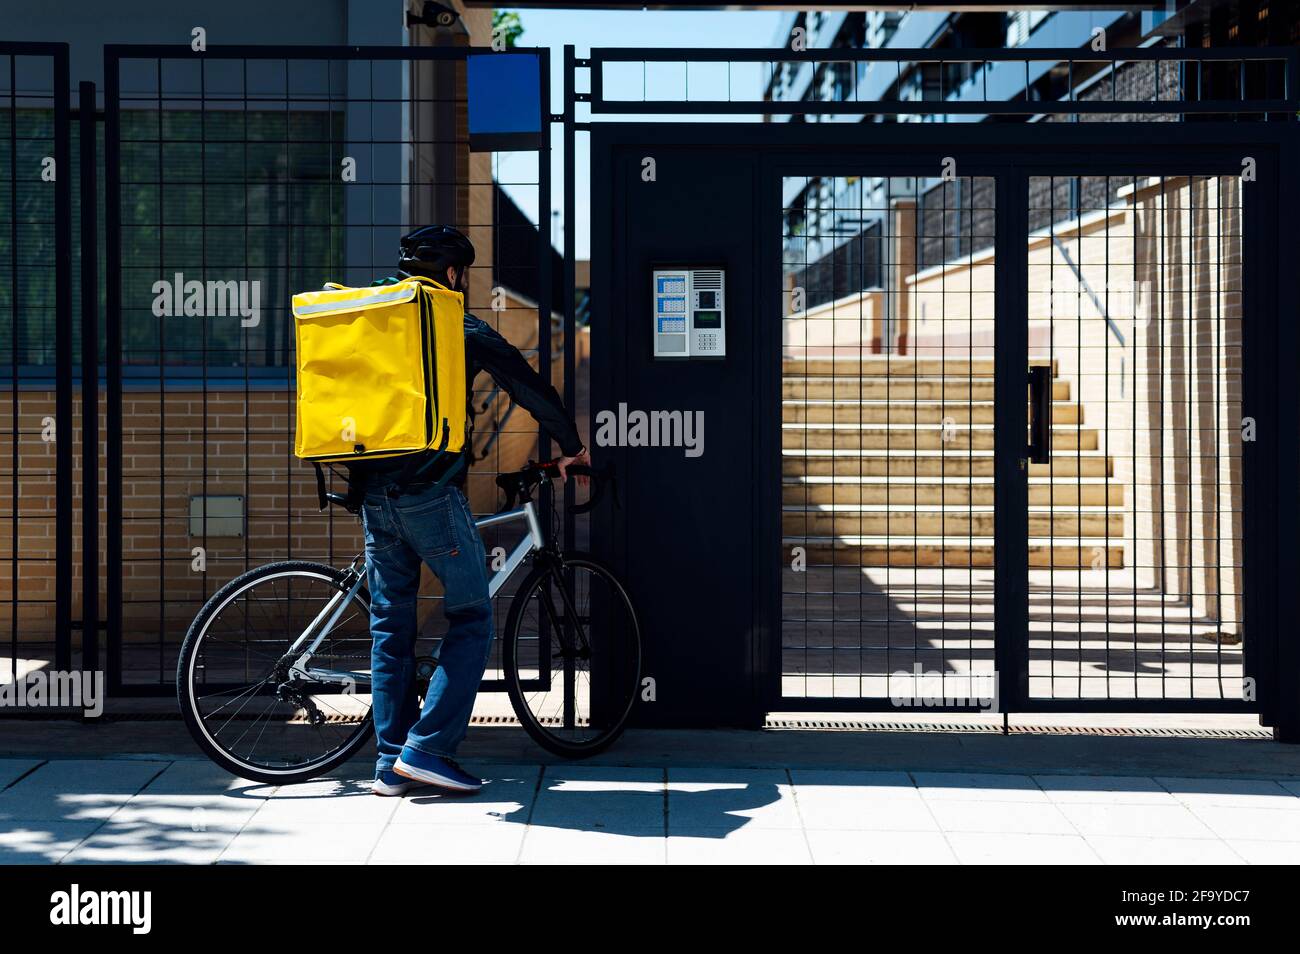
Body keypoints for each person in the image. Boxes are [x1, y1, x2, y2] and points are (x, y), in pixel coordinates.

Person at [352, 225, 588, 796]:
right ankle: (428, 750)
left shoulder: (372, 315)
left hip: (371, 490)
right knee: (473, 614)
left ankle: (391, 763)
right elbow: (527, 385)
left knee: (391, 623)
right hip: (428, 492)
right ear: (454, 274)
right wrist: (571, 446)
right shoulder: (458, 325)